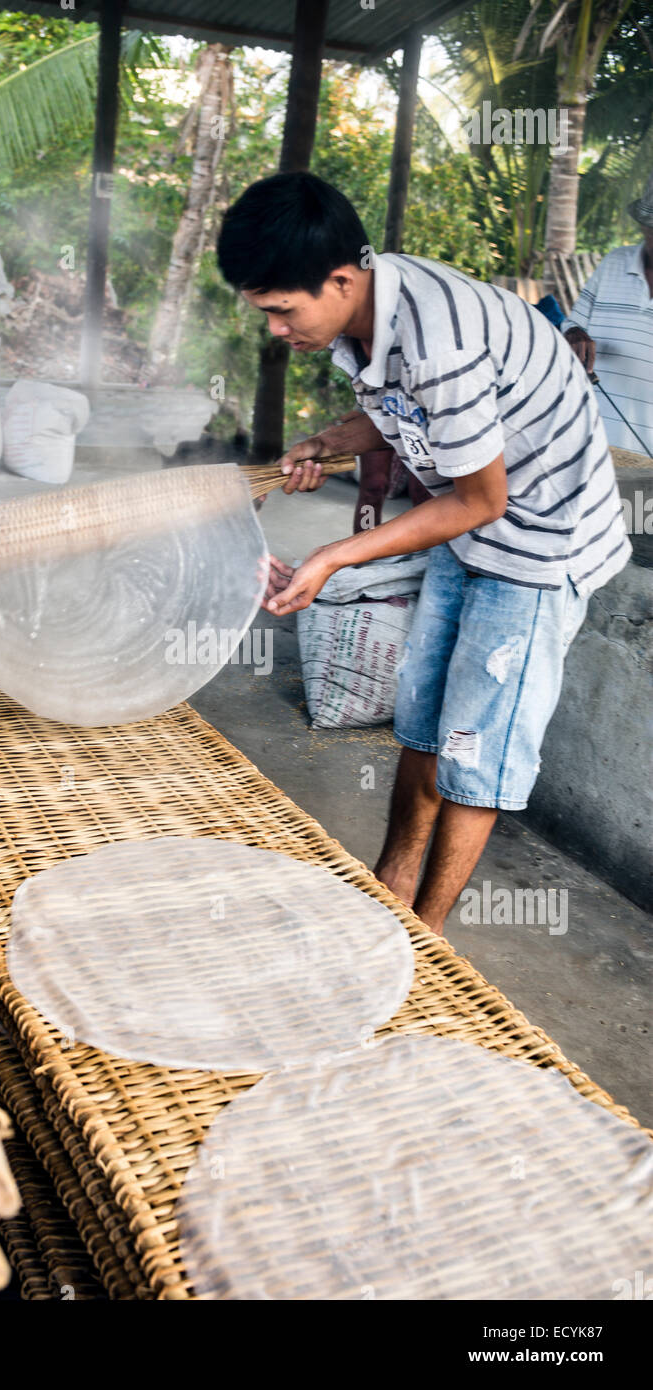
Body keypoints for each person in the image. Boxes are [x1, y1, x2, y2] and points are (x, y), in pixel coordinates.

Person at [216, 172, 631, 935]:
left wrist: (336, 556)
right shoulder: (367, 309)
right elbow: (401, 414)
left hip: (541, 541)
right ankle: (391, 887)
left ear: (341, 279)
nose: (275, 329)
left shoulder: (441, 339)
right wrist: (325, 444)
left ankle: (424, 935)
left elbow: (482, 498)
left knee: (478, 748)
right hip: (470, 520)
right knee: (426, 716)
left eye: (281, 310)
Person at [562, 170, 653, 454]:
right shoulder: (614, 263)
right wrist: (574, 333)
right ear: (643, 227)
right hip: (592, 442)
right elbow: (570, 326)